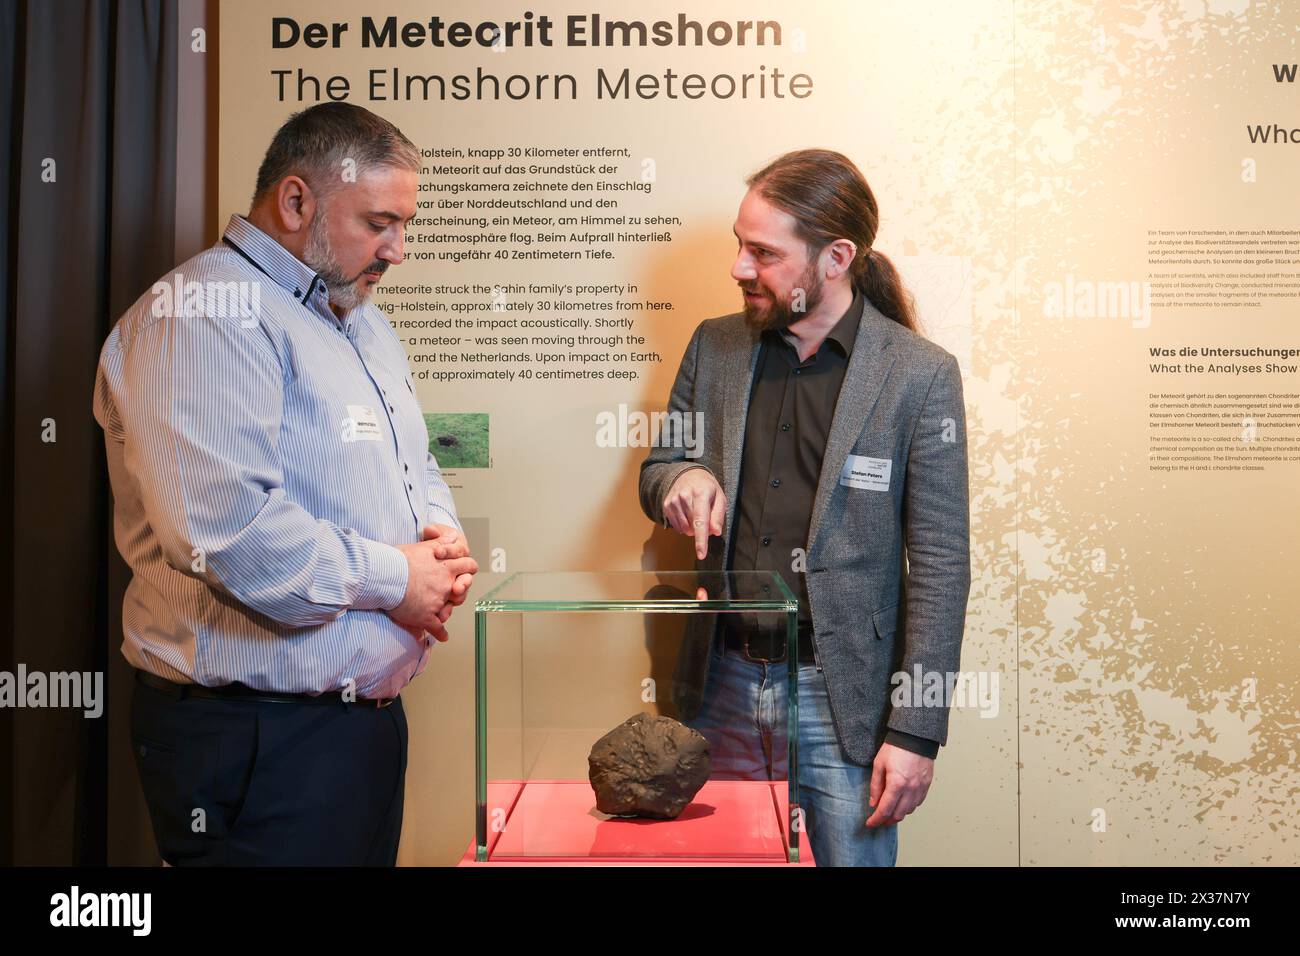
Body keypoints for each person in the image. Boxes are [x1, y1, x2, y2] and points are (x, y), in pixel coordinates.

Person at [93, 102, 477, 865]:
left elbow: (413, 458)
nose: (397, 249)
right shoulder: (203, 316)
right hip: (256, 740)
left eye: (405, 225)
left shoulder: (358, 317)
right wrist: (398, 578)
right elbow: (229, 536)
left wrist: (438, 538)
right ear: (296, 200)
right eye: (379, 222)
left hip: (350, 735)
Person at [639, 149, 970, 866]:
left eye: (763, 252)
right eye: (739, 244)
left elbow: (943, 565)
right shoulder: (716, 346)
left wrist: (916, 732)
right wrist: (680, 483)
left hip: (842, 698)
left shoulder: (920, 375)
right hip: (721, 682)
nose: (738, 268)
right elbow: (660, 467)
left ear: (836, 257)